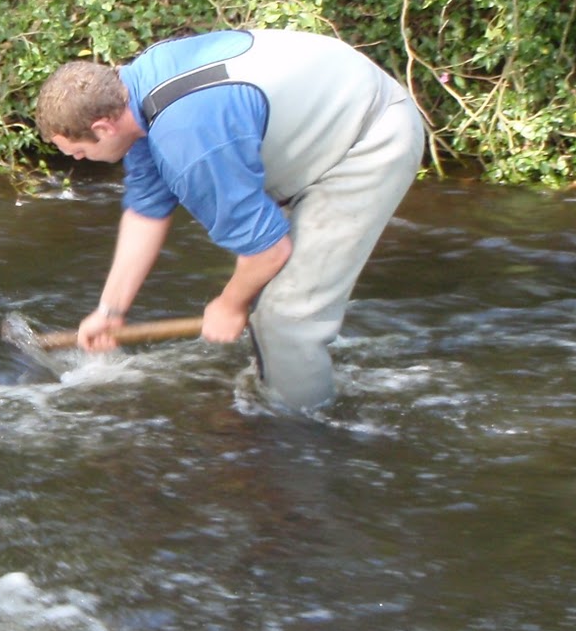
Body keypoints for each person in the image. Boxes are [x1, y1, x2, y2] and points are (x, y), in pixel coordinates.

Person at [36, 28, 423, 412]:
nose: (78, 161)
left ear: (103, 128)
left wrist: (230, 304)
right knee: (268, 296)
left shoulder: (188, 142)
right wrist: (110, 312)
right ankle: (283, 381)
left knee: (285, 321)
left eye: (79, 152)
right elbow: (145, 213)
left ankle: (303, 431)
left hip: (369, 140)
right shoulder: (136, 95)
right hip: (323, 126)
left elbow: (269, 252)